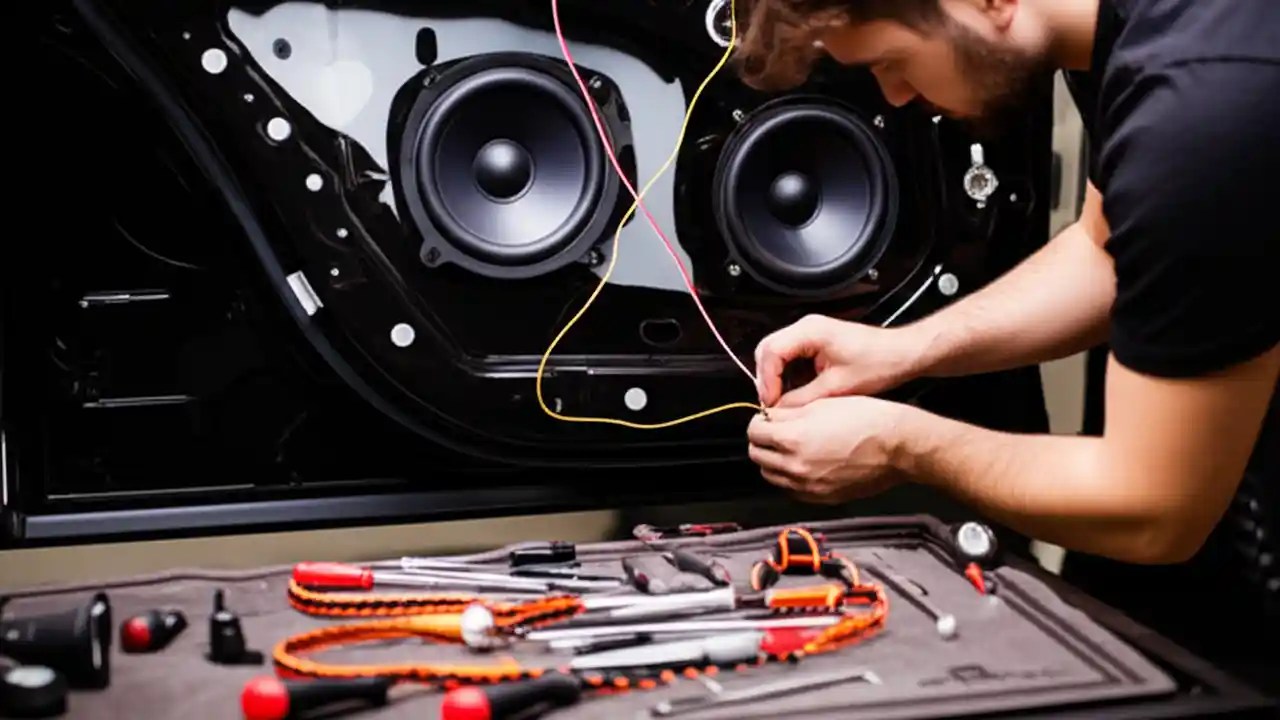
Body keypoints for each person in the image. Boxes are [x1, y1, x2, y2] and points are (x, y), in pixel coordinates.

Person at [736, 0, 1279, 690]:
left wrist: (900, 445)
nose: (895, 97)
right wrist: (903, 350)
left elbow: (1154, 508)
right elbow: (1105, 252)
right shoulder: (1127, 34)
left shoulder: (1200, 108)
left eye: (889, 62)